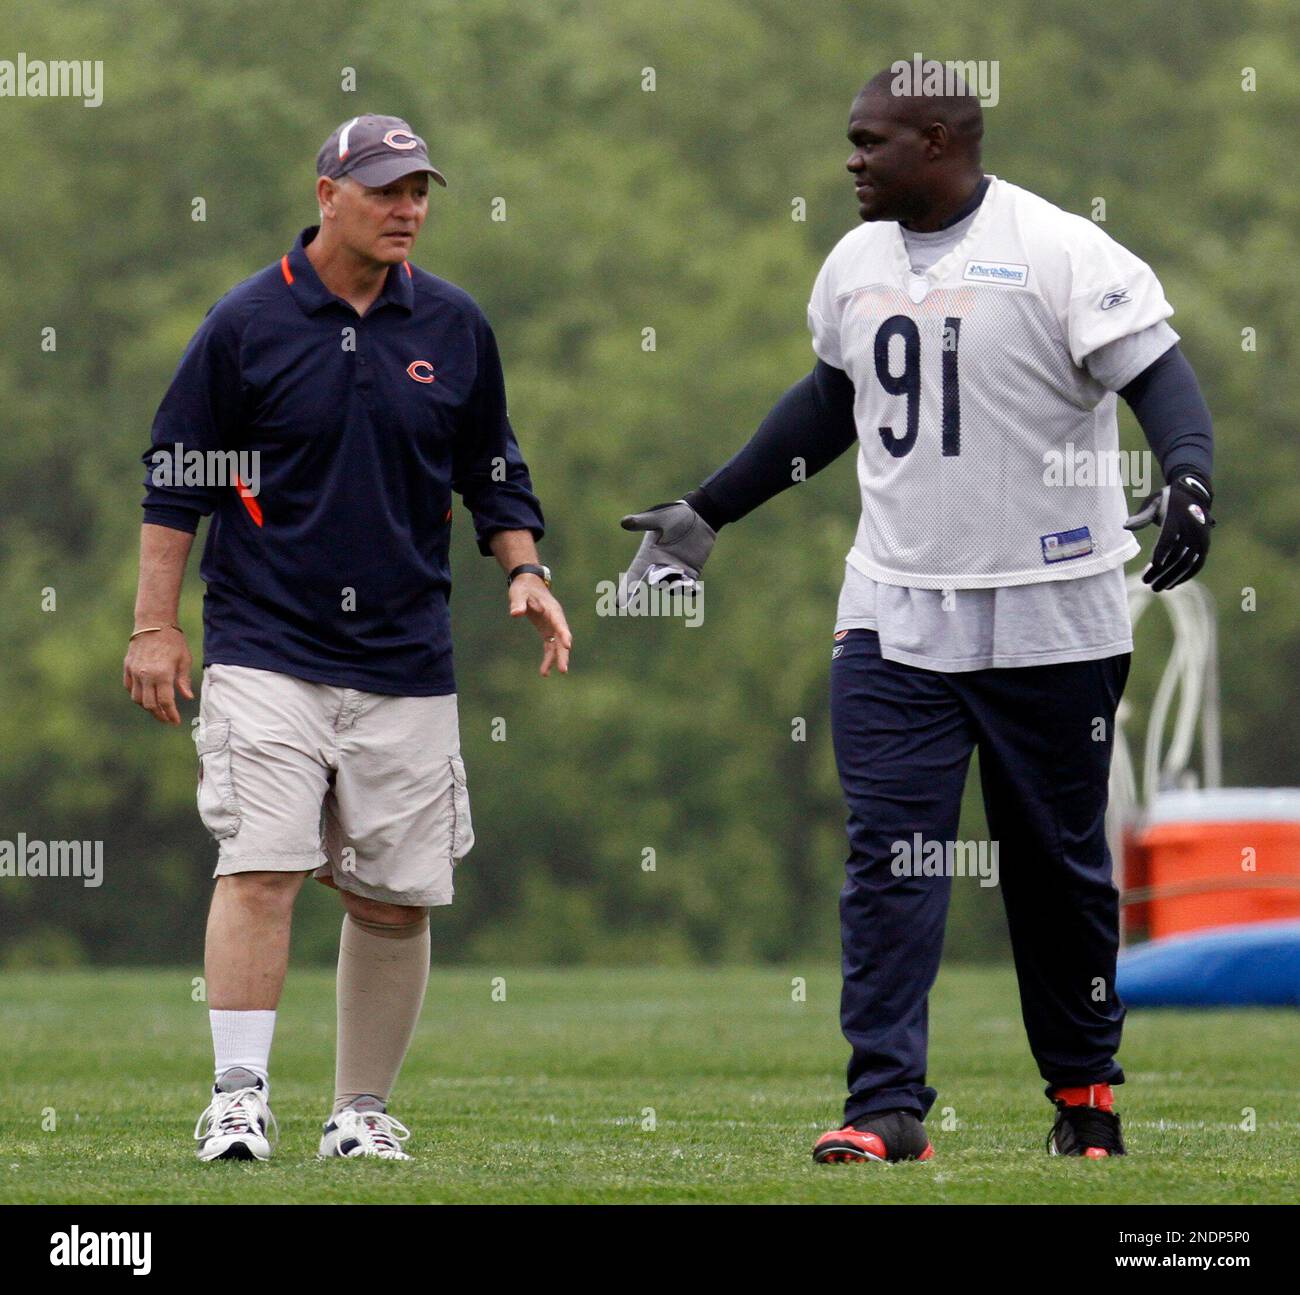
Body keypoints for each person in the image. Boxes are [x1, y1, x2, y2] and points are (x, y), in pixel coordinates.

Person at [620, 64, 1214, 1162]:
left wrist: (1186, 473)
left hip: (1054, 611)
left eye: (869, 142)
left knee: (1056, 869)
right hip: (895, 613)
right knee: (891, 857)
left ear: (937, 141)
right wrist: (710, 508)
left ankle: (1084, 1097)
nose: (850, 162)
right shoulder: (853, 261)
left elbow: (1161, 379)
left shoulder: (1060, 250)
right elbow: (831, 405)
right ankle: (885, 1104)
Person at [125, 114, 572, 1162]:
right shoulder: (245, 322)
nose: (407, 208)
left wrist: (526, 568)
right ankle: (238, 1098)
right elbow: (174, 483)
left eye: (419, 190)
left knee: (395, 894)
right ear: (327, 192)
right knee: (263, 863)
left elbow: (493, 469)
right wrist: (155, 625)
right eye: (384, 189)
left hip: (406, 656)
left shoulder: (455, 326)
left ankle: (359, 1113)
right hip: (264, 642)